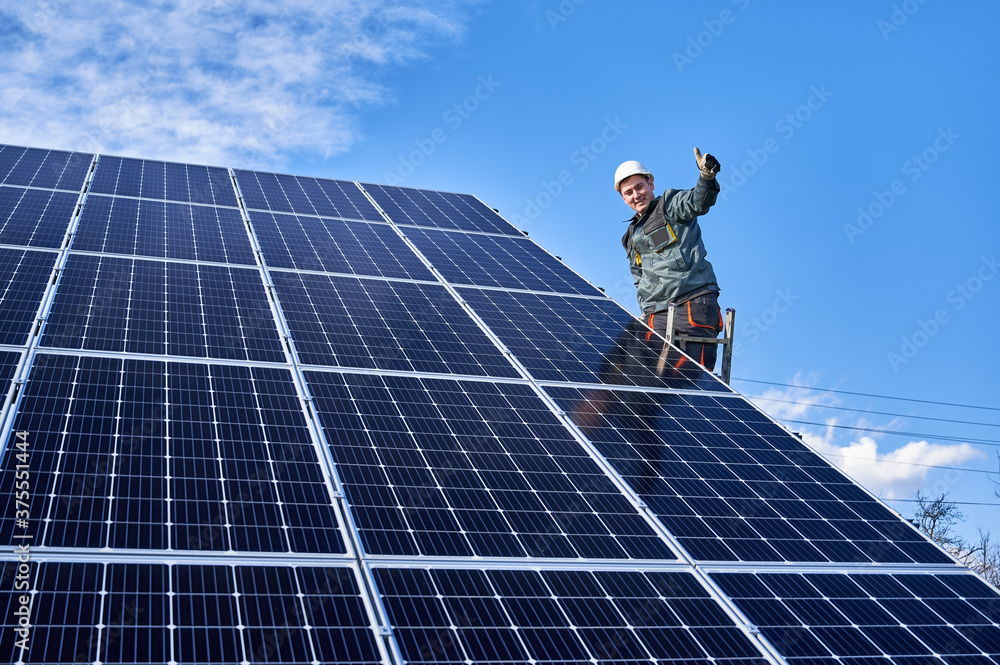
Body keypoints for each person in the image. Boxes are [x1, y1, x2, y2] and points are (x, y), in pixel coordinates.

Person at [616, 149, 724, 370]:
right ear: (623, 198)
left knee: (689, 379)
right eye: (629, 192)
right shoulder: (629, 236)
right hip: (655, 314)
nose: (636, 195)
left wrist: (706, 178)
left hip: (690, 303)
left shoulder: (670, 205)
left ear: (651, 184)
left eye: (639, 187)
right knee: (637, 376)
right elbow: (639, 279)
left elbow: (697, 201)